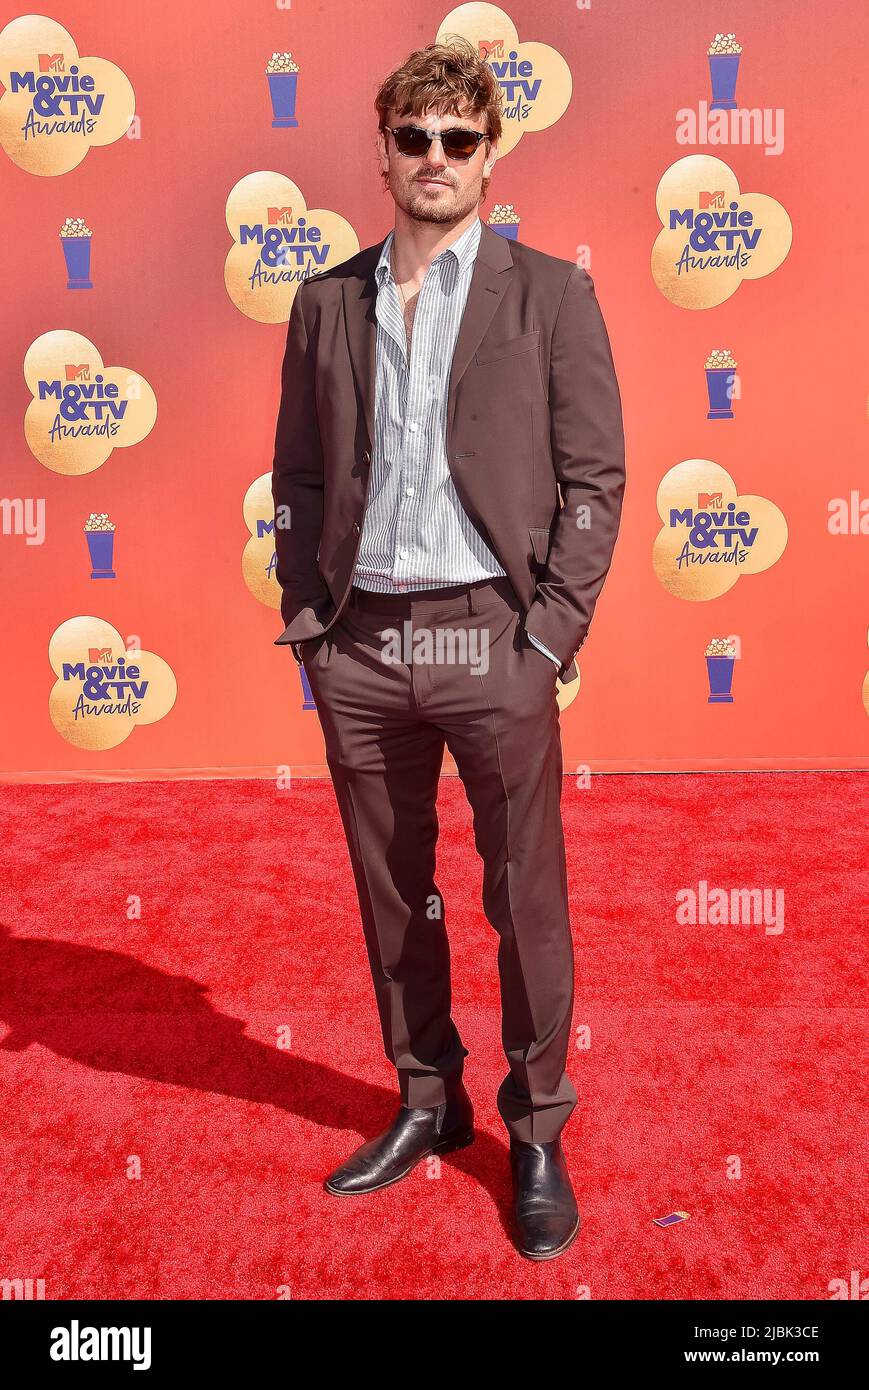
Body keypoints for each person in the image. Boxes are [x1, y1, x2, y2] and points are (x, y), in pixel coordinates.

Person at [271, 37, 625, 1260]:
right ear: (383, 152)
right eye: (412, 139)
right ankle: (427, 1099)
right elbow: (299, 477)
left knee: (522, 895)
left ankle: (535, 1128)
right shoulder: (324, 302)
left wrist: (548, 635)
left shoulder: (550, 296)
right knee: (393, 892)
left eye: (456, 140)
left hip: (494, 636)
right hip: (361, 645)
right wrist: (311, 623)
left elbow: (593, 478)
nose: (433, 159)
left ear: (490, 153)